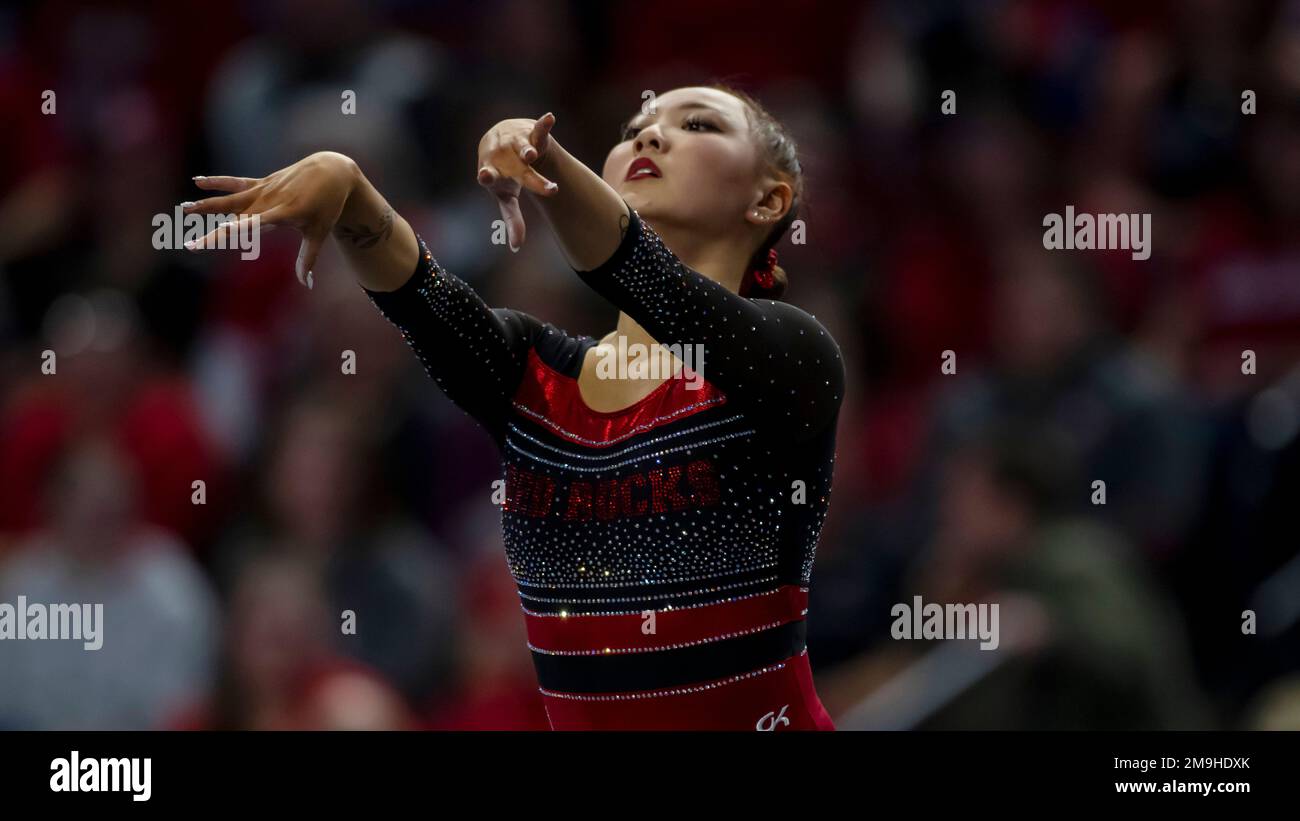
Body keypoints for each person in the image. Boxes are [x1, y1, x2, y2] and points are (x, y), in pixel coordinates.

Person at [182, 84, 844, 730]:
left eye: (699, 124)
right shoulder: (540, 379)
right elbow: (425, 301)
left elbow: (649, 282)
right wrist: (352, 195)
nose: (648, 133)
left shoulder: (793, 356)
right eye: (633, 127)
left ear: (769, 200)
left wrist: (547, 162)